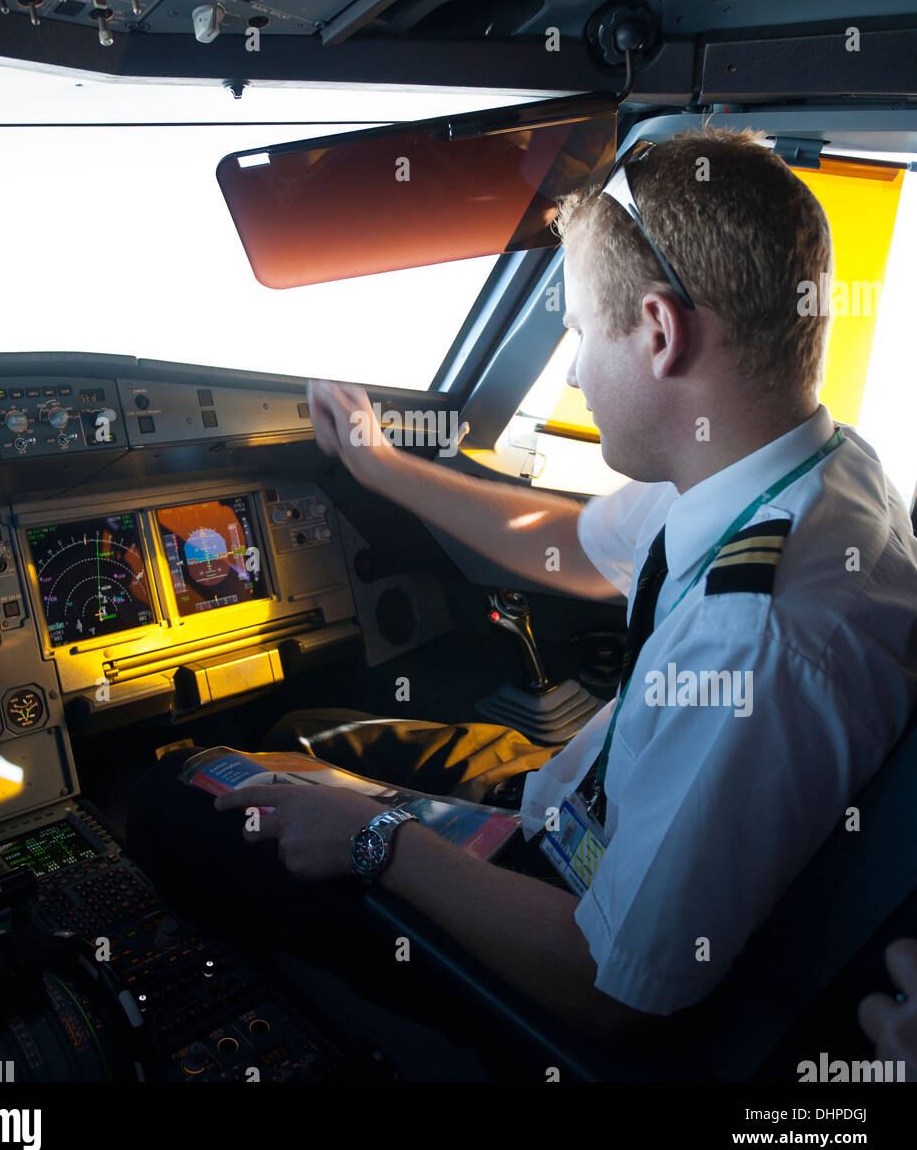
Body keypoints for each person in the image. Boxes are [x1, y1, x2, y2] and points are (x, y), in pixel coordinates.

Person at [127, 127, 917, 1049]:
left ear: (659, 334)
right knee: (295, 741)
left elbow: (608, 988)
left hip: (565, 932)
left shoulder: (765, 637)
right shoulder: (791, 466)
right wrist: (379, 466)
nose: (574, 367)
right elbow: (571, 544)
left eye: (580, 330)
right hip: (576, 809)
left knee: (172, 805)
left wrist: (375, 840)